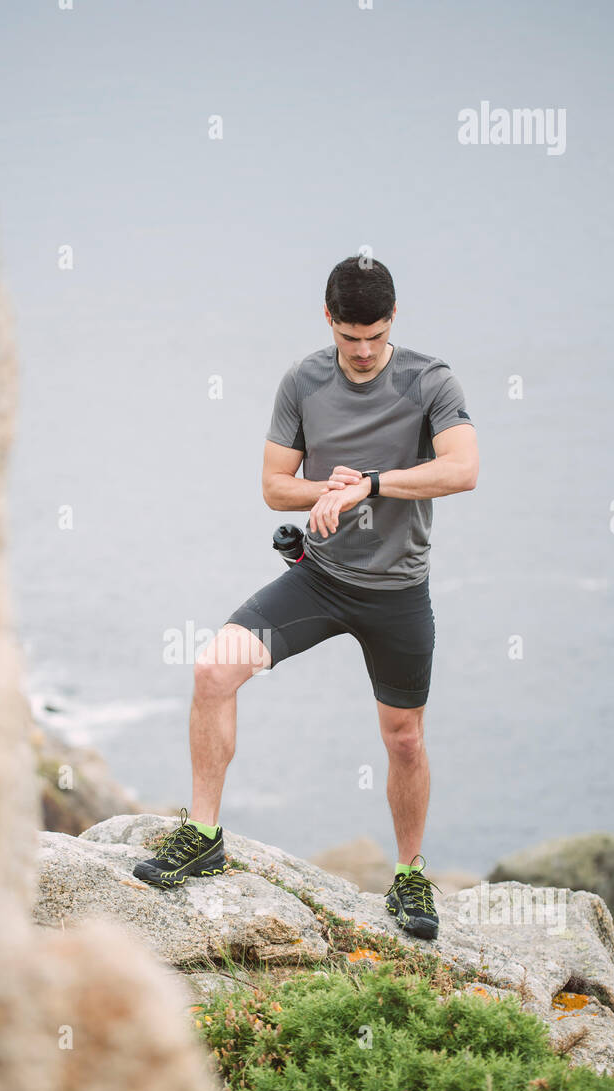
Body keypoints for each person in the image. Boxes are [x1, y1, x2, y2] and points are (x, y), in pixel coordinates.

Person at [133, 255, 478, 941]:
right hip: (317, 579)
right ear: (328, 320)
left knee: (403, 737)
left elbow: (462, 469)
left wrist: (369, 485)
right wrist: (325, 489)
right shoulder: (302, 381)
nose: (361, 351)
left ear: (392, 320)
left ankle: (409, 874)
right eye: (349, 336)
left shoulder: (429, 380)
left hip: (396, 592)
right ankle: (203, 835)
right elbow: (272, 486)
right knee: (211, 670)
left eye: (373, 336)